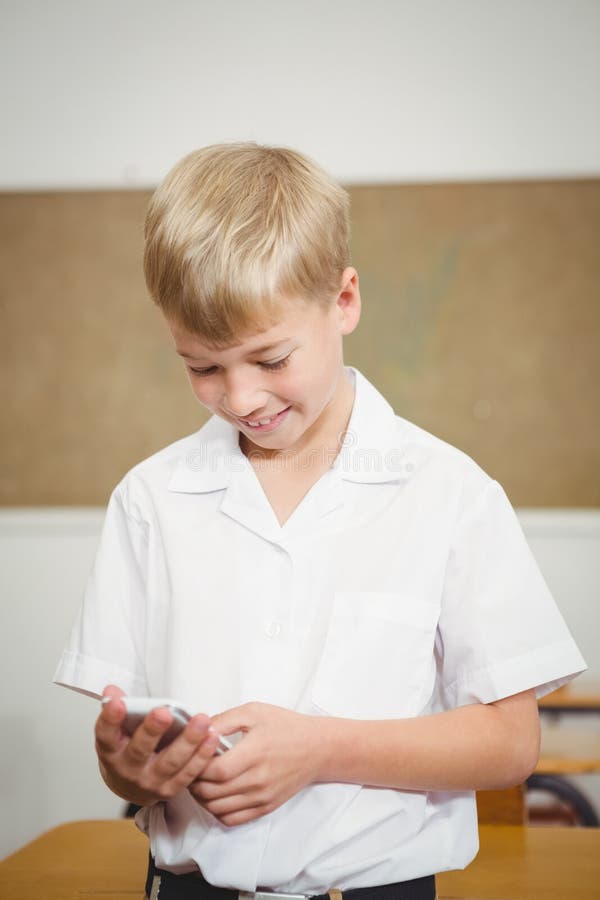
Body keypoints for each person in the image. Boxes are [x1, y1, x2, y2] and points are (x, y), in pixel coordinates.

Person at [54, 143, 586, 900]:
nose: (239, 398)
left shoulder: (449, 493)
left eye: (269, 359)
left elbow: (509, 744)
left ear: (344, 301)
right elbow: (120, 754)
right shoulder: (151, 500)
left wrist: (321, 749)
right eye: (203, 367)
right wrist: (130, 765)